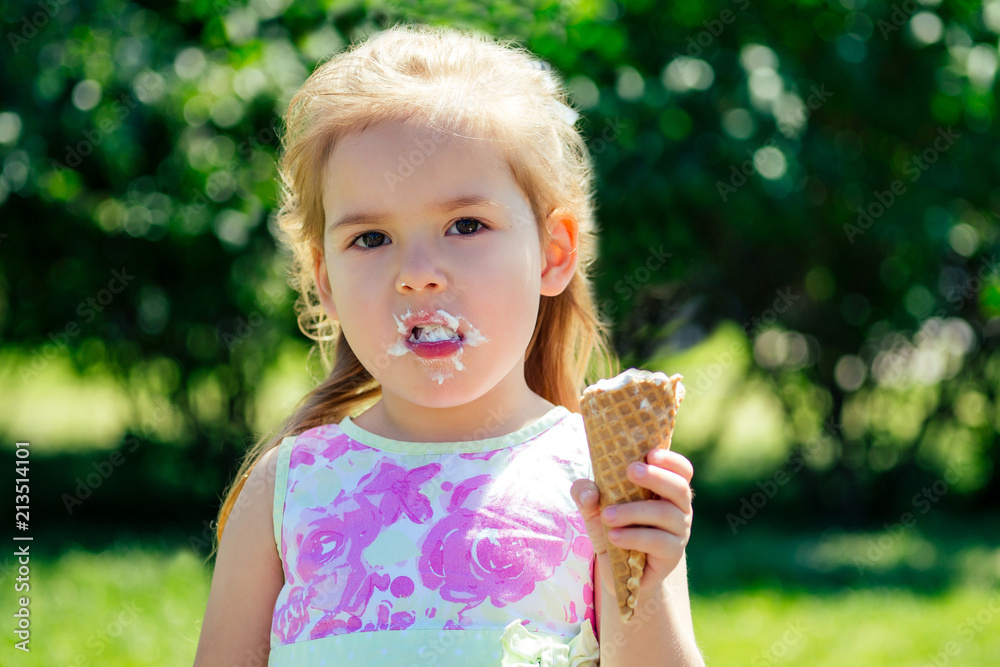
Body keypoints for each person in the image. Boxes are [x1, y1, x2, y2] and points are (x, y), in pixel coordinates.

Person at [194, 22, 703, 666]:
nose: (417, 271)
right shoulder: (289, 490)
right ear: (326, 281)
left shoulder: (600, 486)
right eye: (371, 238)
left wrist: (648, 576)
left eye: (466, 225)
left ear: (554, 253)